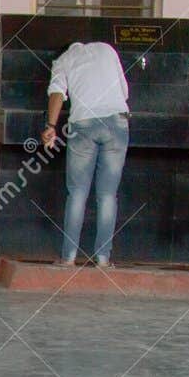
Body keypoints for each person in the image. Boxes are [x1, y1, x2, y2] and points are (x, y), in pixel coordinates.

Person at [42, 41, 130, 266]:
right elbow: (124, 91)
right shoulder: (108, 49)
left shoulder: (63, 60)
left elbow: (57, 93)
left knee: (78, 193)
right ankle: (103, 259)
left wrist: (51, 126)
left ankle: (68, 258)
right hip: (117, 122)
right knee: (108, 195)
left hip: (83, 124)